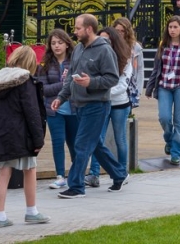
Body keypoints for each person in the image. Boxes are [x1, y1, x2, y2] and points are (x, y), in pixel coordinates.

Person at [50, 14, 126, 198]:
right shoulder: (78, 50)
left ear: (89, 29)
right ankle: (119, 174)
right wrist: (61, 97)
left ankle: (76, 186)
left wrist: (91, 82)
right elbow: (70, 77)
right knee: (96, 145)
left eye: (77, 28)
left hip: (97, 105)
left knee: (81, 144)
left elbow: (112, 78)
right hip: (79, 105)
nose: (74, 32)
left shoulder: (104, 50)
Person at [0, 46, 49, 229]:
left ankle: (0, 216)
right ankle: (31, 211)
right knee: (30, 169)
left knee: (3, 173)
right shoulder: (25, 81)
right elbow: (32, 111)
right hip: (21, 133)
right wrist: (38, 139)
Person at [144, 16, 180, 166]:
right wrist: (149, 88)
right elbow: (156, 69)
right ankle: (169, 140)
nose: (172, 30)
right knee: (164, 117)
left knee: (179, 121)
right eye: (170, 27)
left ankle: (176, 153)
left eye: (175, 27)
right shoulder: (163, 45)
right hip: (164, 86)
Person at [85, 27, 133, 189]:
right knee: (98, 138)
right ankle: (94, 174)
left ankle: (122, 171)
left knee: (120, 139)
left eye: (107, 40)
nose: (103, 43)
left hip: (119, 103)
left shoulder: (125, 59)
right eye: (101, 39)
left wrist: (100, 90)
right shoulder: (97, 55)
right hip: (101, 102)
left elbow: (121, 85)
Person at [36, 29, 75, 191]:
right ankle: (60, 176)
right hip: (53, 110)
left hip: (73, 109)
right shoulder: (45, 64)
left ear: (67, 44)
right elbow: (43, 89)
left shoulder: (74, 62)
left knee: (74, 144)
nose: (57, 46)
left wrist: (66, 84)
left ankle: (76, 173)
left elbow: (76, 85)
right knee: (57, 143)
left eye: (60, 42)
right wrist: (64, 83)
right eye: (53, 43)